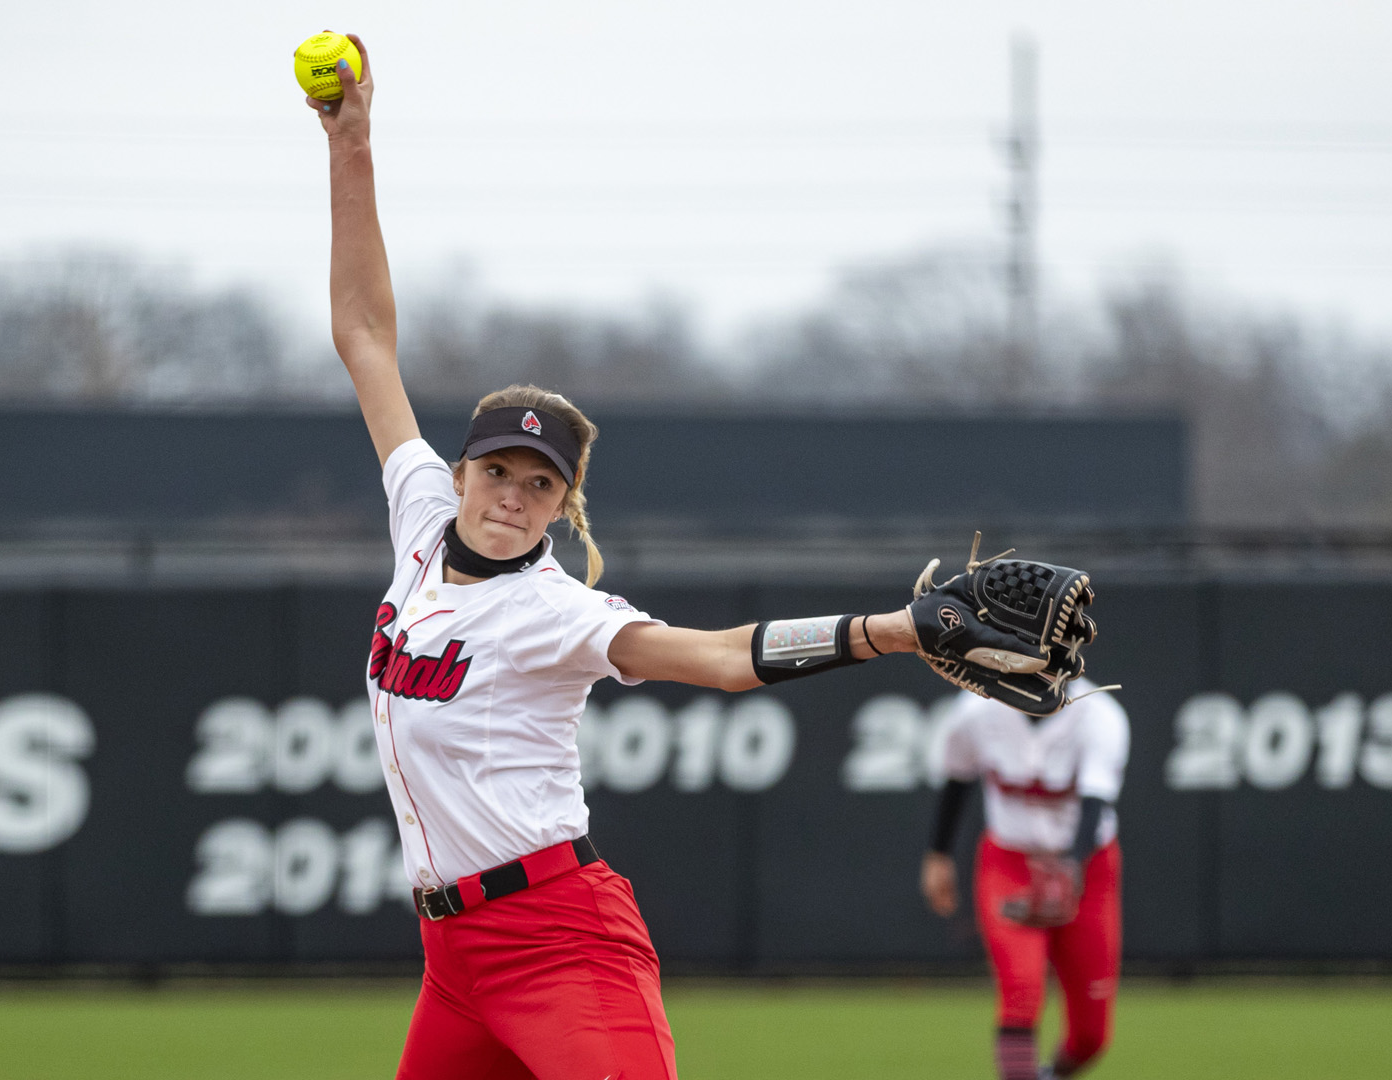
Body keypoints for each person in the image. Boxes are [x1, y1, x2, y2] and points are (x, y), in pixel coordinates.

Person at [308, 35, 944, 1080]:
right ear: (462, 474)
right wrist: (352, 144)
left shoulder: (555, 613)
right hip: (453, 957)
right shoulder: (422, 520)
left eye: (539, 484)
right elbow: (365, 336)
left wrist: (899, 631)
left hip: (560, 939)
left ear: (563, 506)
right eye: (498, 473)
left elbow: (725, 659)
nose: (512, 497)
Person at [920, 680, 1130, 1080]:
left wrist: (1069, 867)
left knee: (1091, 1036)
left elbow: (1096, 804)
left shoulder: (1100, 716)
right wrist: (938, 855)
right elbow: (957, 778)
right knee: (1021, 990)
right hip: (1009, 862)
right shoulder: (976, 709)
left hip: (1088, 868)